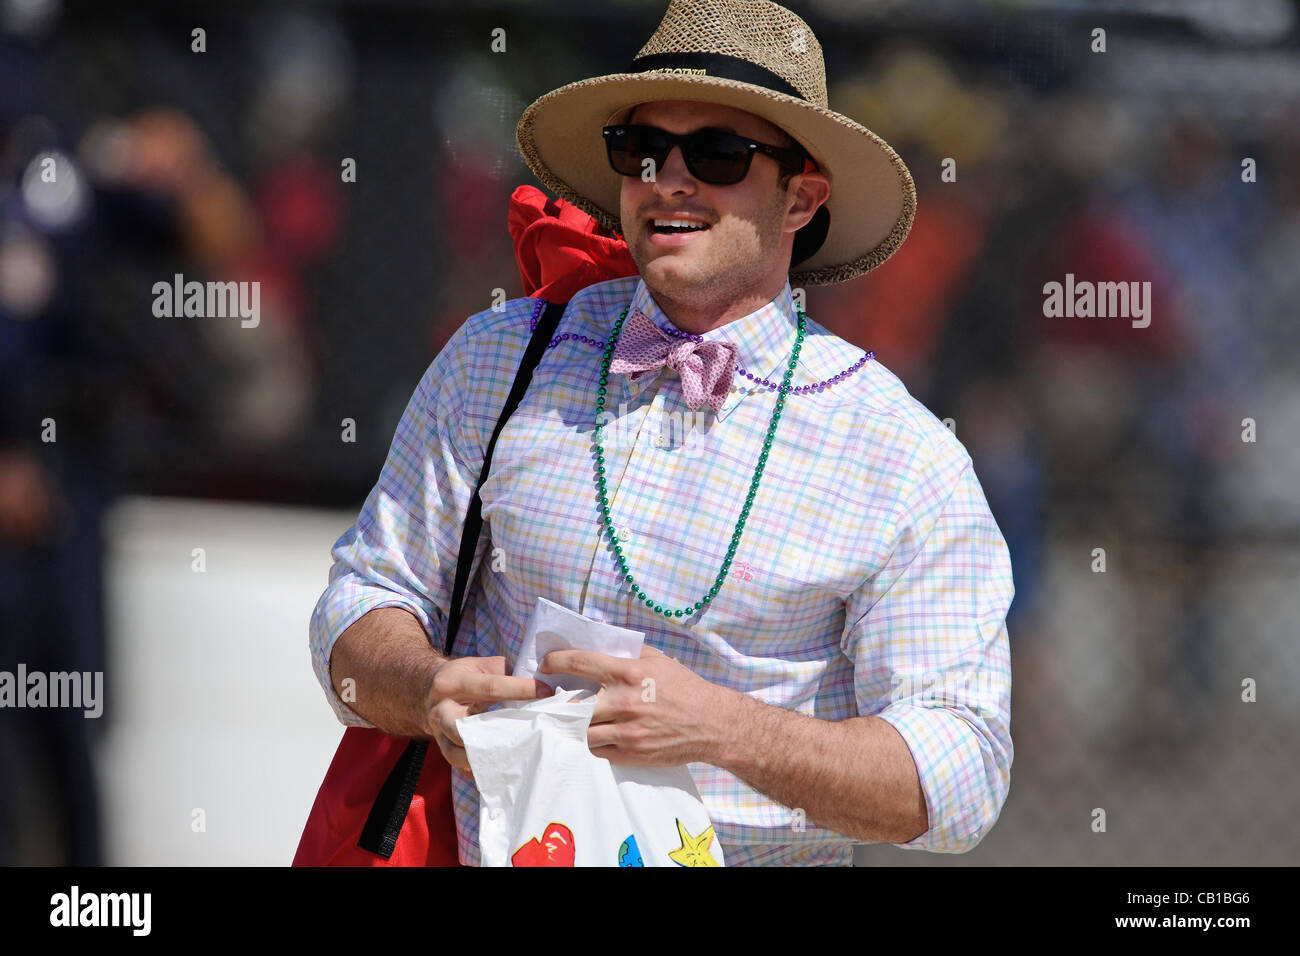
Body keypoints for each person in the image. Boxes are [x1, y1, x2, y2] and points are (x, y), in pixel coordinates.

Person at [310, 0, 1014, 866]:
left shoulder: (902, 455)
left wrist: (720, 728)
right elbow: (359, 600)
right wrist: (423, 689)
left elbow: (961, 781)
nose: (668, 180)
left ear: (802, 197)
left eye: (717, 154)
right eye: (641, 152)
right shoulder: (499, 359)